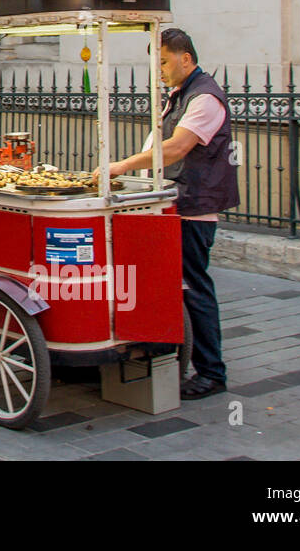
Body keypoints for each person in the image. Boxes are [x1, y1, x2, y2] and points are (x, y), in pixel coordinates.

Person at [99, 28, 240, 401]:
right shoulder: (180, 95)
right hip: (173, 204)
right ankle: (166, 352)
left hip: (193, 210)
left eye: (162, 62)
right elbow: (159, 145)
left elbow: (176, 147)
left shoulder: (205, 97)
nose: (158, 70)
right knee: (174, 286)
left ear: (186, 59)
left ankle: (212, 372)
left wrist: (121, 166)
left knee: (194, 289)